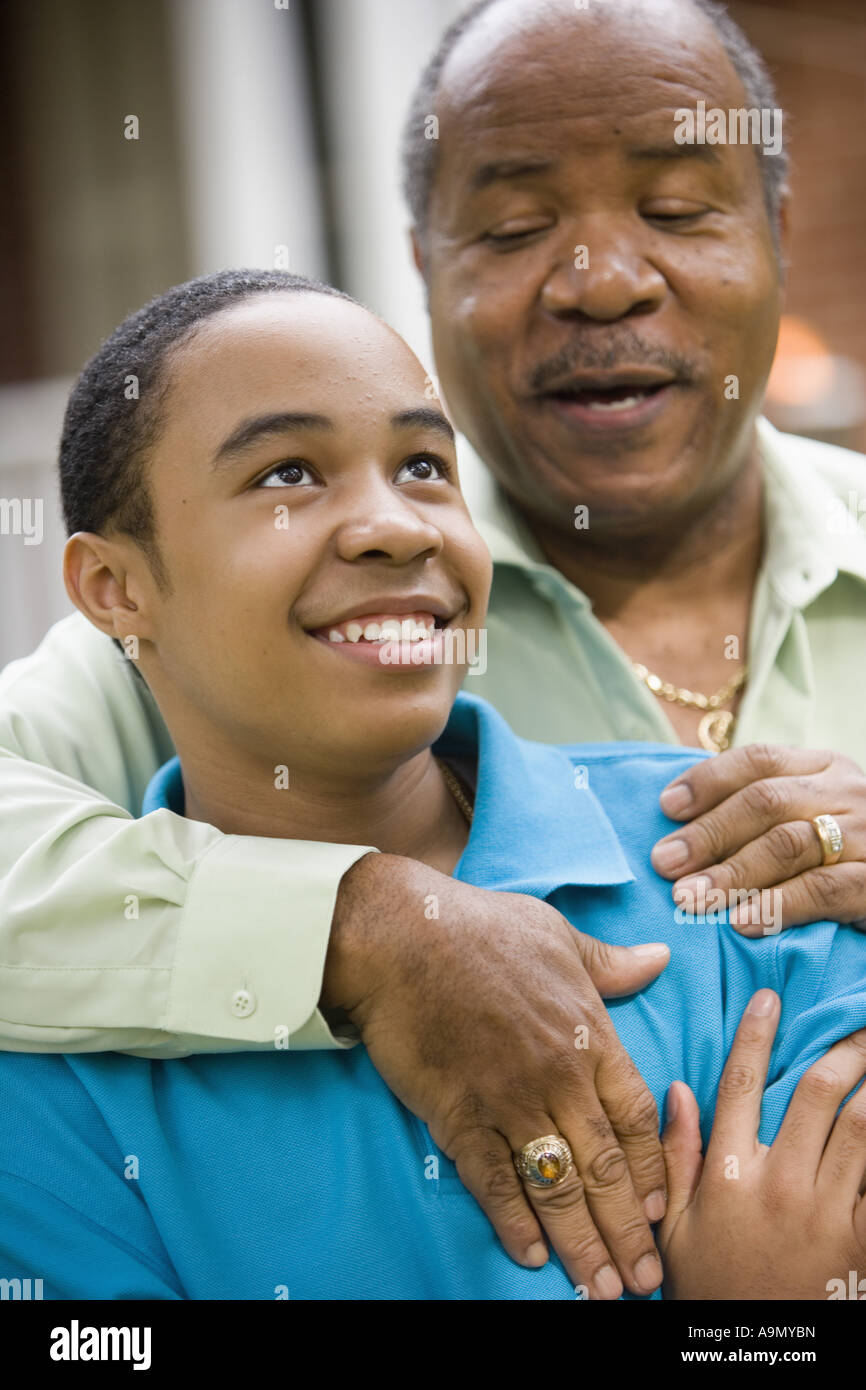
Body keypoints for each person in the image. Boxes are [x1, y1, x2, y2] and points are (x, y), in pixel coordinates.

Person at [2, 0, 866, 1291]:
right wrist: (365, 923)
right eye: (515, 229)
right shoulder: (235, 645)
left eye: (679, 209)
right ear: (422, 264)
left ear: (778, 235)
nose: (603, 280)